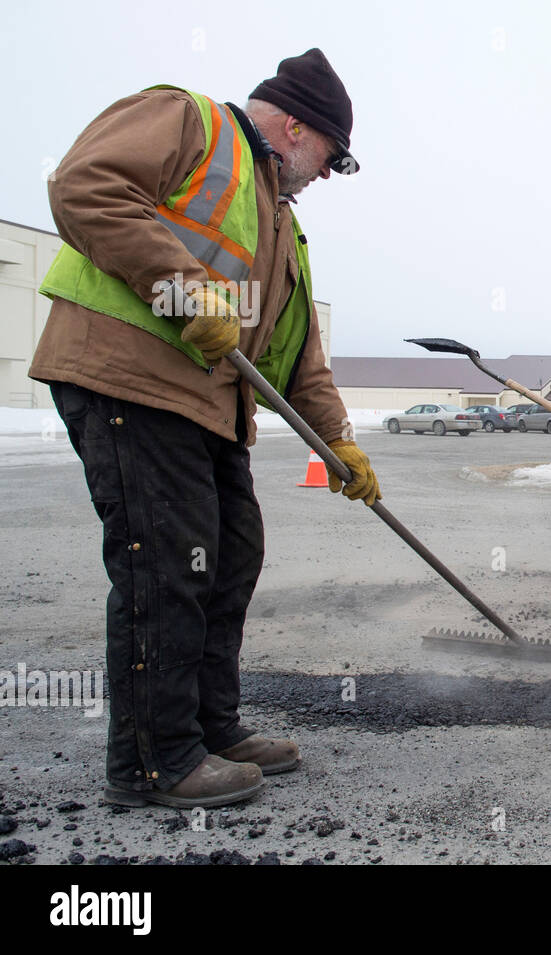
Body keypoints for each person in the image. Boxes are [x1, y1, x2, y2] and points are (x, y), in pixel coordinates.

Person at [29, 49, 380, 807]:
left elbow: (296, 358)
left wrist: (339, 441)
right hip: (128, 376)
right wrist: (182, 291)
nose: (325, 175)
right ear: (294, 124)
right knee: (167, 564)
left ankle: (210, 726)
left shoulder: (281, 229)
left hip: (208, 406)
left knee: (232, 555)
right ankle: (154, 761)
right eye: (330, 157)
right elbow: (83, 185)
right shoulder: (189, 122)